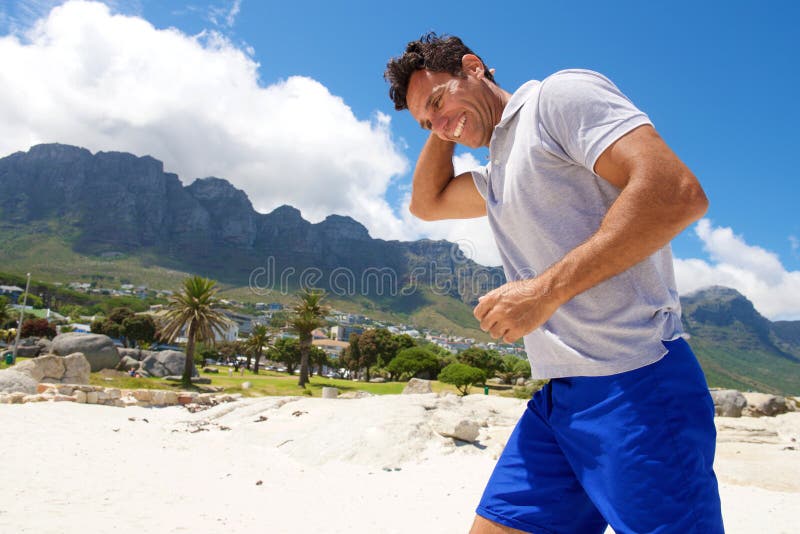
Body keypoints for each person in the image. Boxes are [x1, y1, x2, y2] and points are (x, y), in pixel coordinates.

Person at [385, 34, 723, 534]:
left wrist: (544, 292)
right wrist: (444, 117)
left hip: (638, 383)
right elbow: (426, 203)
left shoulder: (555, 99)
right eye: (423, 122)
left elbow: (676, 193)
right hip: (561, 396)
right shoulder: (498, 171)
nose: (437, 124)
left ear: (475, 67)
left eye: (437, 100)